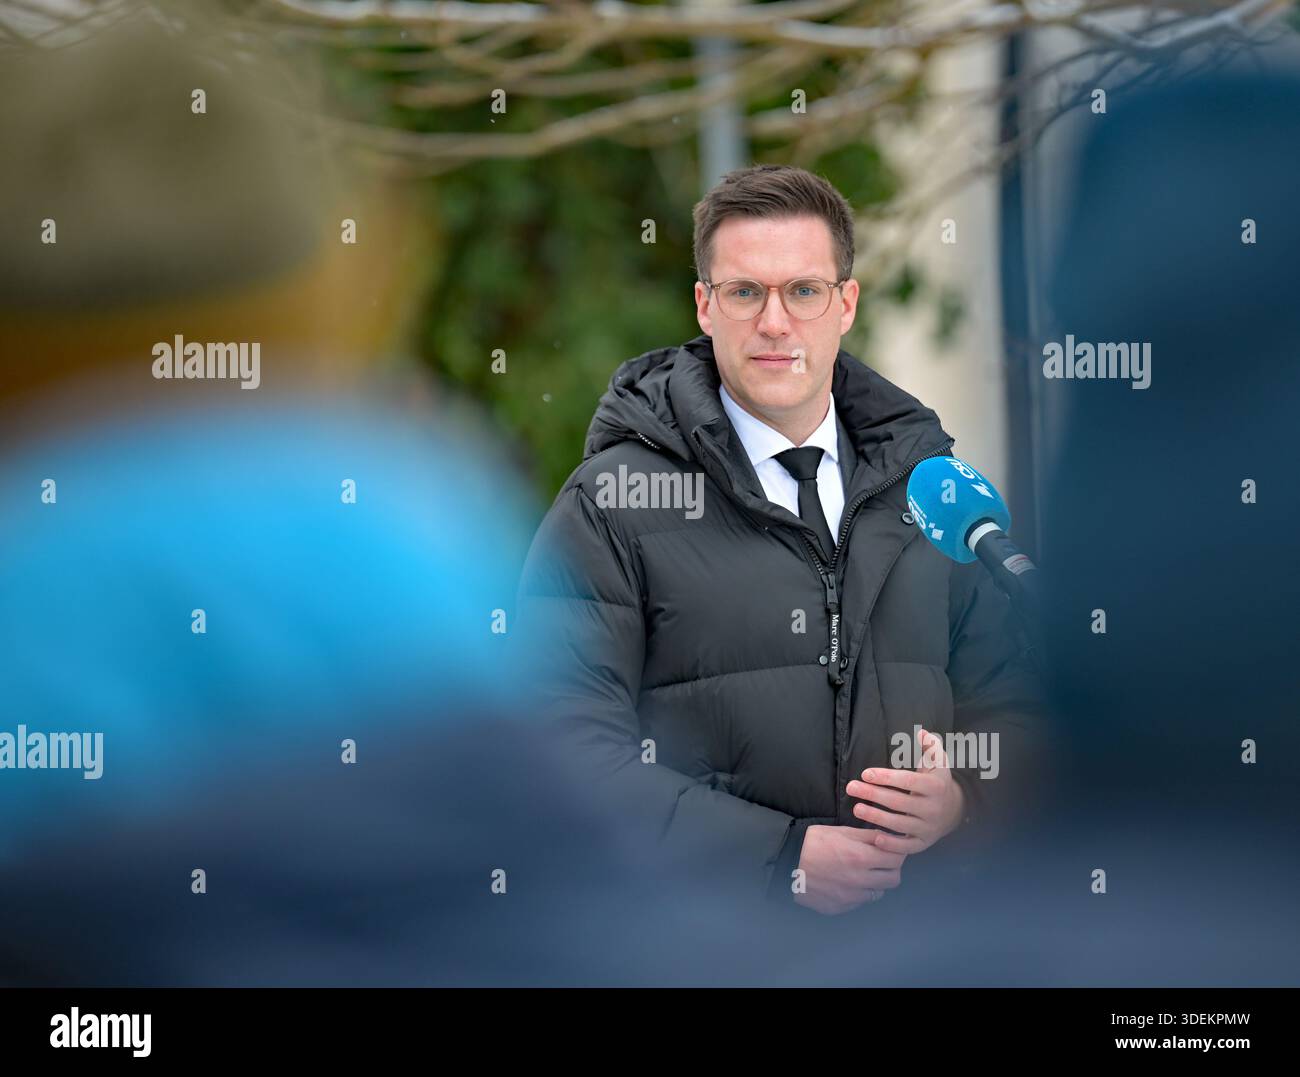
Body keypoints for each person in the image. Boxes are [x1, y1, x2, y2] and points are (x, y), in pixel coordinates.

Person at [517, 164, 1045, 917]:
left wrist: (963, 799)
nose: (774, 323)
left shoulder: (933, 495)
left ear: (846, 304)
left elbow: (1017, 707)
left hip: (917, 956)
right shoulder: (613, 504)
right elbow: (560, 751)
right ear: (705, 305)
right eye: (744, 292)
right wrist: (778, 857)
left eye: (803, 290)